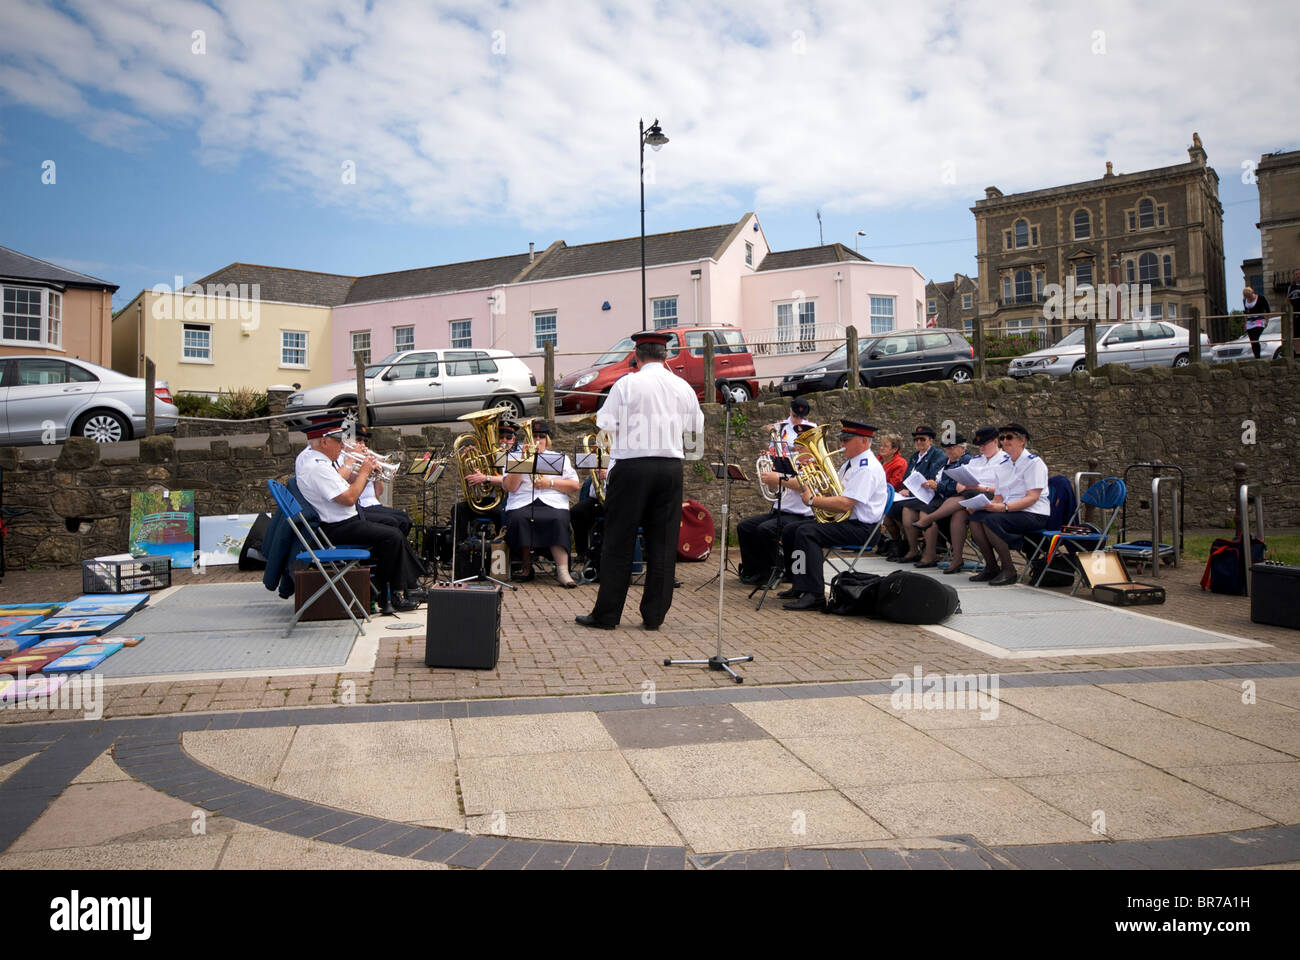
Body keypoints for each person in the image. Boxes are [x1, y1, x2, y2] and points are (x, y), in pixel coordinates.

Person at [576, 330, 704, 630]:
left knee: (618, 541)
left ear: (636, 355)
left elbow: (605, 424)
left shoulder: (627, 384)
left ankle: (607, 615)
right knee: (662, 542)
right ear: (665, 356)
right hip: (670, 467)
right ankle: (654, 615)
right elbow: (694, 431)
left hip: (632, 468)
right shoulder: (681, 386)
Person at [294, 417, 419, 615]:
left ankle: (394, 589)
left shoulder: (322, 463)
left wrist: (366, 471)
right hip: (336, 528)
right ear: (325, 442)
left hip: (344, 520)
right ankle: (387, 592)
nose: (343, 446)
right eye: (339, 442)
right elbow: (350, 498)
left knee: (394, 530)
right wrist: (364, 471)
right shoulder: (317, 467)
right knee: (392, 536)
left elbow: (346, 488)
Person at [782, 420, 889, 611]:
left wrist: (812, 501)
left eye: (847, 440)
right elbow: (833, 492)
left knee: (807, 532)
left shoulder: (866, 468)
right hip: (848, 522)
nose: (842, 444)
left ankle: (814, 594)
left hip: (862, 529)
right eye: (842, 439)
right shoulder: (850, 464)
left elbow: (846, 503)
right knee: (791, 529)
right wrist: (809, 473)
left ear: (864, 441)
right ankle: (800, 584)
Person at [467, 420, 580, 587]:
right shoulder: (514, 458)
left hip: (553, 500)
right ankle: (526, 567)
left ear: (547, 439)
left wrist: (549, 483)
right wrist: (522, 461)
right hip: (523, 500)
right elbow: (510, 487)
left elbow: (574, 485)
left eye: (542, 437)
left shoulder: (558, 458)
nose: (537, 440)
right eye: (533, 436)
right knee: (520, 518)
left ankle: (563, 572)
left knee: (557, 519)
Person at [737, 400, 817, 586]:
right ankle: (753, 570)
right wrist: (772, 474)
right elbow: (777, 489)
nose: (797, 444)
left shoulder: (813, 460)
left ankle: (774, 571)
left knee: (765, 530)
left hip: (802, 514)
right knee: (745, 527)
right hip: (782, 508)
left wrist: (778, 479)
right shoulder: (790, 459)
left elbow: (805, 484)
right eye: (796, 441)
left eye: (802, 441)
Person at [912, 426, 1004, 575]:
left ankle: (929, 519)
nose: (981, 448)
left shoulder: (1004, 460)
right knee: (959, 514)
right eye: (979, 445)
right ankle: (958, 559)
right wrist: (963, 485)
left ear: (995, 442)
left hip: (992, 497)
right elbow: (960, 483)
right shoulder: (976, 460)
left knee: (967, 495)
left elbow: (1004, 489)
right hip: (968, 496)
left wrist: (982, 488)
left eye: (984, 444)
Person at [967, 422, 1049, 585]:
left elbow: (1032, 497)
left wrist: (1003, 508)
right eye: (1002, 437)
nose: (1005, 441)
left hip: (1033, 512)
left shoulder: (1034, 463)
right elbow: (998, 496)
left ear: (1022, 440)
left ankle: (1009, 569)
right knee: (976, 518)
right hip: (1010, 510)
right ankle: (991, 566)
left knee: (991, 521)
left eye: (1009, 437)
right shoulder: (1003, 465)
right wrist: (983, 505)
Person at [883, 426, 947, 562]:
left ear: (931, 440)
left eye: (922, 439)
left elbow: (931, 478)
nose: (919, 442)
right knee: (890, 509)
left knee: (907, 510)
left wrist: (910, 490)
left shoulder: (938, 455)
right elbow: (906, 478)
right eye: (916, 440)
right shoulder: (914, 456)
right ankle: (906, 546)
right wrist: (904, 489)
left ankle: (916, 548)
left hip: (929, 495)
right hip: (913, 495)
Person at [907, 433, 972, 568]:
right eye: (947, 449)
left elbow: (957, 486)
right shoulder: (942, 462)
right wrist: (927, 483)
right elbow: (932, 477)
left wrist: (938, 486)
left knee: (925, 511)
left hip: (952, 498)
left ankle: (930, 553)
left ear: (962, 448)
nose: (949, 451)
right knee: (908, 508)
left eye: (952, 448)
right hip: (936, 496)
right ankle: (914, 549)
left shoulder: (966, 461)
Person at [1243, 286, 1272, 360]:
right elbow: (1246, 312)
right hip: (1250, 322)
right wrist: (1245, 324)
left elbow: (1268, 310)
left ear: (1252, 293)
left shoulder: (1261, 298)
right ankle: (1256, 357)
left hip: (1259, 321)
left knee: (1255, 338)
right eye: (1247, 297)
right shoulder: (1244, 300)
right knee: (1252, 341)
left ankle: (1258, 357)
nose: (1249, 299)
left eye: (1250, 297)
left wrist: (1267, 321)